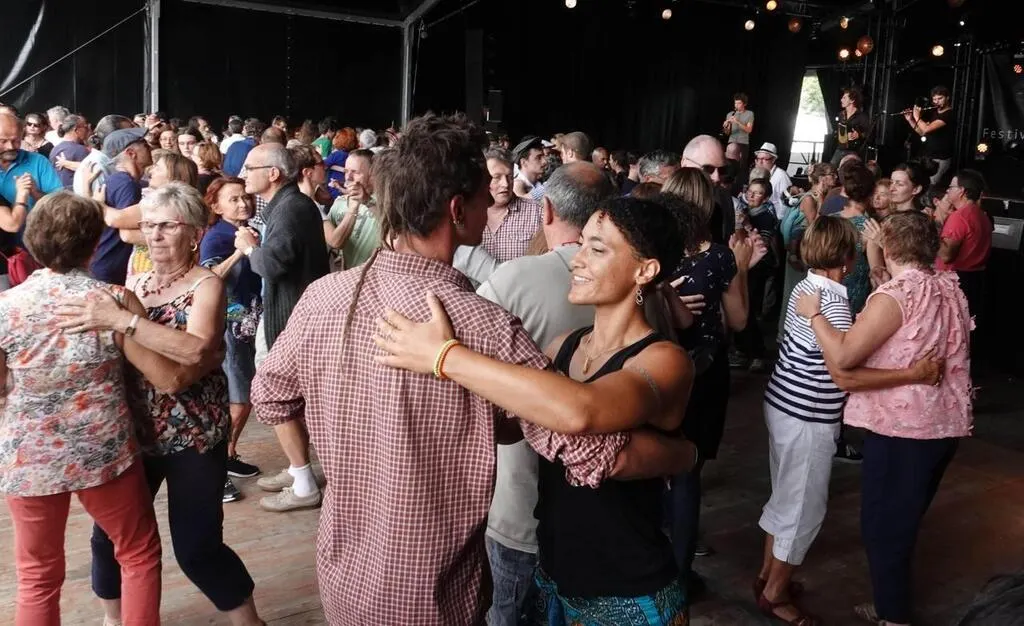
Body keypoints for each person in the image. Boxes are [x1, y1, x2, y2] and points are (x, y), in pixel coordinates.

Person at [251, 114, 694, 626]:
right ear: (458, 209)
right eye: (486, 194)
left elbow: (272, 394)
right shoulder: (483, 325)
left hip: (343, 574)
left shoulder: (323, 298)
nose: (495, 204)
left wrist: (326, 461)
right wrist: (683, 452)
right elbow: (586, 451)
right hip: (433, 590)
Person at [374, 195, 699, 626]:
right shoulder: (563, 344)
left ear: (645, 270)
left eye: (597, 250)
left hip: (629, 586)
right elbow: (515, 428)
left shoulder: (665, 359)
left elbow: (583, 410)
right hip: (555, 573)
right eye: (581, 243)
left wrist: (445, 357)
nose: (577, 259)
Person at [56, 183, 267, 626]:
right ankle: (114, 620)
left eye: (166, 225)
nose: (154, 234)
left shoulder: (206, 285)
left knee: (197, 546)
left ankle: (249, 621)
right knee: (108, 538)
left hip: (193, 432)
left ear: (192, 232)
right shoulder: (138, 280)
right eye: (148, 225)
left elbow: (191, 356)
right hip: (136, 434)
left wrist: (123, 321)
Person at [760, 215, 943, 626]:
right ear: (848, 257)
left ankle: (767, 578)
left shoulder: (807, 289)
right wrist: (913, 374)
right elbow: (845, 372)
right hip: (808, 415)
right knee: (805, 509)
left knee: (785, 496)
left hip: (782, 403)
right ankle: (774, 594)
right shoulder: (833, 305)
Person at [795, 211, 972, 626]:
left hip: (904, 432)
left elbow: (841, 358)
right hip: (943, 429)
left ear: (890, 246)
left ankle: (893, 618)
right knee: (901, 522)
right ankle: (889, 604)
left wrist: (814, 314)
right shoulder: (948, 287)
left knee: (883, 527)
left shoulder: (897, 295)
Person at [1, 192, 168, 626]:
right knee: (138, 554)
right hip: (106, 452)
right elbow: (150, 375)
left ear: (33, 240)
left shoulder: (5, 308)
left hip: (30, 459)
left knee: (36, 576)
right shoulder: (115, 300)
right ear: (95, 244)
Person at [201, 177, 264, 502]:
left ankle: (229, 455)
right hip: (230, 326)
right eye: (234, 199)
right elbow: (208, 280)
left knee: (245, 397)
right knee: (238, 401)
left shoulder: (245, 229)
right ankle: (218, 468)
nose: (243, 203)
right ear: (216, 206)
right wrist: (240, 252)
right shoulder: (217, 238)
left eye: (245, 198)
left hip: (247, 326)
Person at [903, 86, 954, 186]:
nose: (937, 102)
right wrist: (911, 120)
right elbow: (922, 132)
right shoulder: (934, 113)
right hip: (929, 156)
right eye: (934, 99)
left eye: (940, 98)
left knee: (930, 185)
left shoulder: (949, 114)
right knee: (920, 182)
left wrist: (917, 115)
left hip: (941, 158)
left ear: (947, 98)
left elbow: (927, 128)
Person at [832, 86, 869, 166]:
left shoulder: (862, 117)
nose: (841, 100)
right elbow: (836, 131)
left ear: (852, 100)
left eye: (844, 98)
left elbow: (869, 134)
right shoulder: (841, 115)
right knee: (832, 168)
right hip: (840, 148)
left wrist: (858, 134)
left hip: (853, 151)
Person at [723, 93, 755, 169]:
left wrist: (737, 122)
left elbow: (749, 130)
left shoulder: (749, 114)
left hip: (743, 143)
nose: (736, 105)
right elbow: (727, 133)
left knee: (741, 166)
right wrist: (726, 126)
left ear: (745, 104)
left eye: (739, 103)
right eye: (735, 103)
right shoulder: (730, 114)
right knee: (729, 166)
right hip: (731, 142)